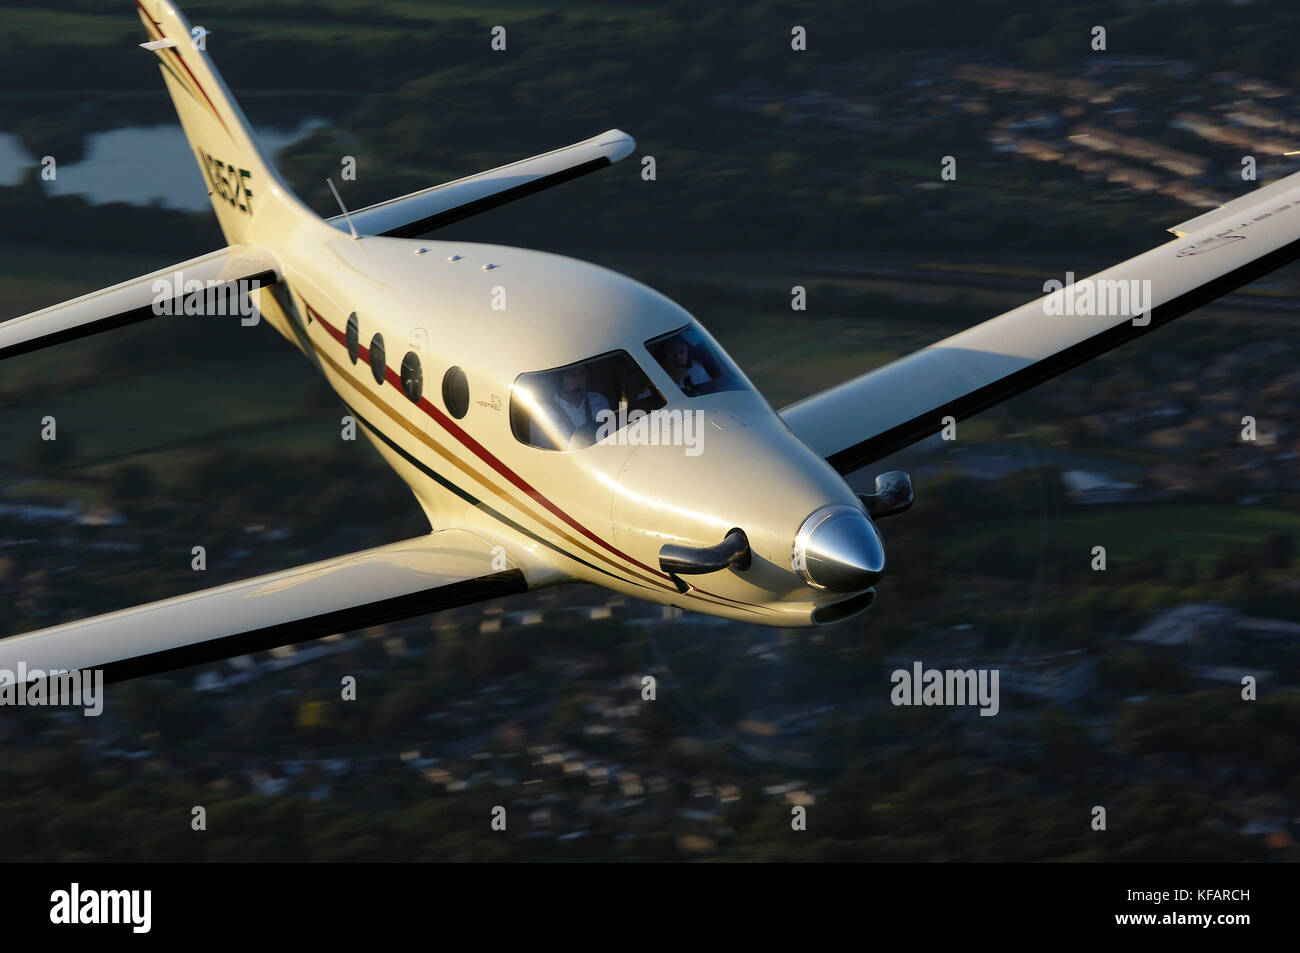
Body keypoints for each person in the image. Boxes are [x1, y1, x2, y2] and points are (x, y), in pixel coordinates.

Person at [530, 363, 611, 448]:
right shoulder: (542, 412)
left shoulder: (599, 401)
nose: (580, 380)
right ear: (559, 380)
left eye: (583, 374)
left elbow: (612, 436)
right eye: (572, 375)